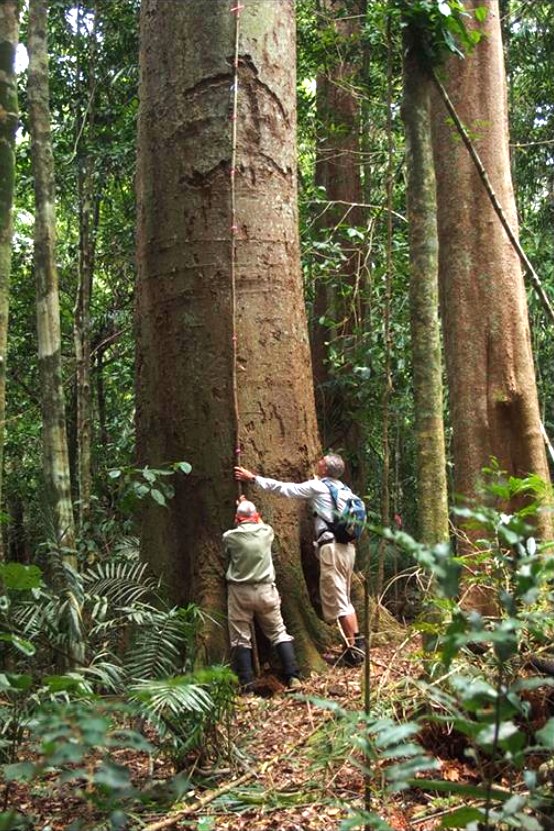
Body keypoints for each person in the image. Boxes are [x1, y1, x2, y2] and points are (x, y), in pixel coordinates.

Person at [234, 453, 364, 667]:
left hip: (331, 549)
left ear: (325, 470)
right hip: (347, 549)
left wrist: (253, 479)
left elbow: (285, 489)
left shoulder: (318, 487)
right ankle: (353, 646)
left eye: (320, 463)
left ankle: (355, 651)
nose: (317, 464)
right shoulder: (344, 490)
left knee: (340, 601)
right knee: (345, 598)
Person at [223, 498, 301, 693]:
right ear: (256, 516)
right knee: (278, 632)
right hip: (266, 591)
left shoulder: (230, 537)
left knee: (240, 638)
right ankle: (293, 677)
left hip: (240, 593)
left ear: (237, 518)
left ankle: (247, 686)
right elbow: (260, 523)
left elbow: (227, 553)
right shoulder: (267, 532)